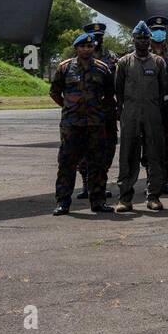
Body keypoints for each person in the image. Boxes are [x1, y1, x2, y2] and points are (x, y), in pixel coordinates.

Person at [50, 33, 117, 215]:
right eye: (82, 46)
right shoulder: (65, 68)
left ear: (93, 48)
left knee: (97, 164)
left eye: (89, 47)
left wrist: (99, 111)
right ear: (76, 48)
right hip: (72, 125)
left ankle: (98, 202)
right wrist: (69, 106)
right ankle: (63, 202)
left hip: (95, 124)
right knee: (67, 164)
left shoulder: (102, 69)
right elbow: (55, 92)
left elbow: (110, 95)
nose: (86, 49)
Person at [114, 22, 168, 212]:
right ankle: (125, 198)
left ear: (149, 40)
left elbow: (163, 88)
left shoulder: (158, 62)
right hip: (130, 114)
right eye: (139, 38)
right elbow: (119, 90)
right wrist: (124, 110)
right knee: (128, 155)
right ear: (133, 39)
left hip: (152, 113)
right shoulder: (124, 63)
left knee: (155, 154)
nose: (142, 41)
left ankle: (153, 196)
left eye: (145, 38)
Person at [75, 21, 117, 200]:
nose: (97, 41)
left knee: (107, 149)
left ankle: (100, 183)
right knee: (83, 150)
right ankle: (86, 184)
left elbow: (116, 85)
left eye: (100, 37)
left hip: (106, 113)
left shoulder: (112, 58)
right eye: (94, 38)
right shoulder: (78, 60)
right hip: (84, 115)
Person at [146, 14, 168, 191]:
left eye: (162, 30)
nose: (159, 33)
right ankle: (151, 181)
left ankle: (165, 180)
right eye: (155, 30)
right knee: (150, 143)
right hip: (150, 104)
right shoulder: (143, 52)